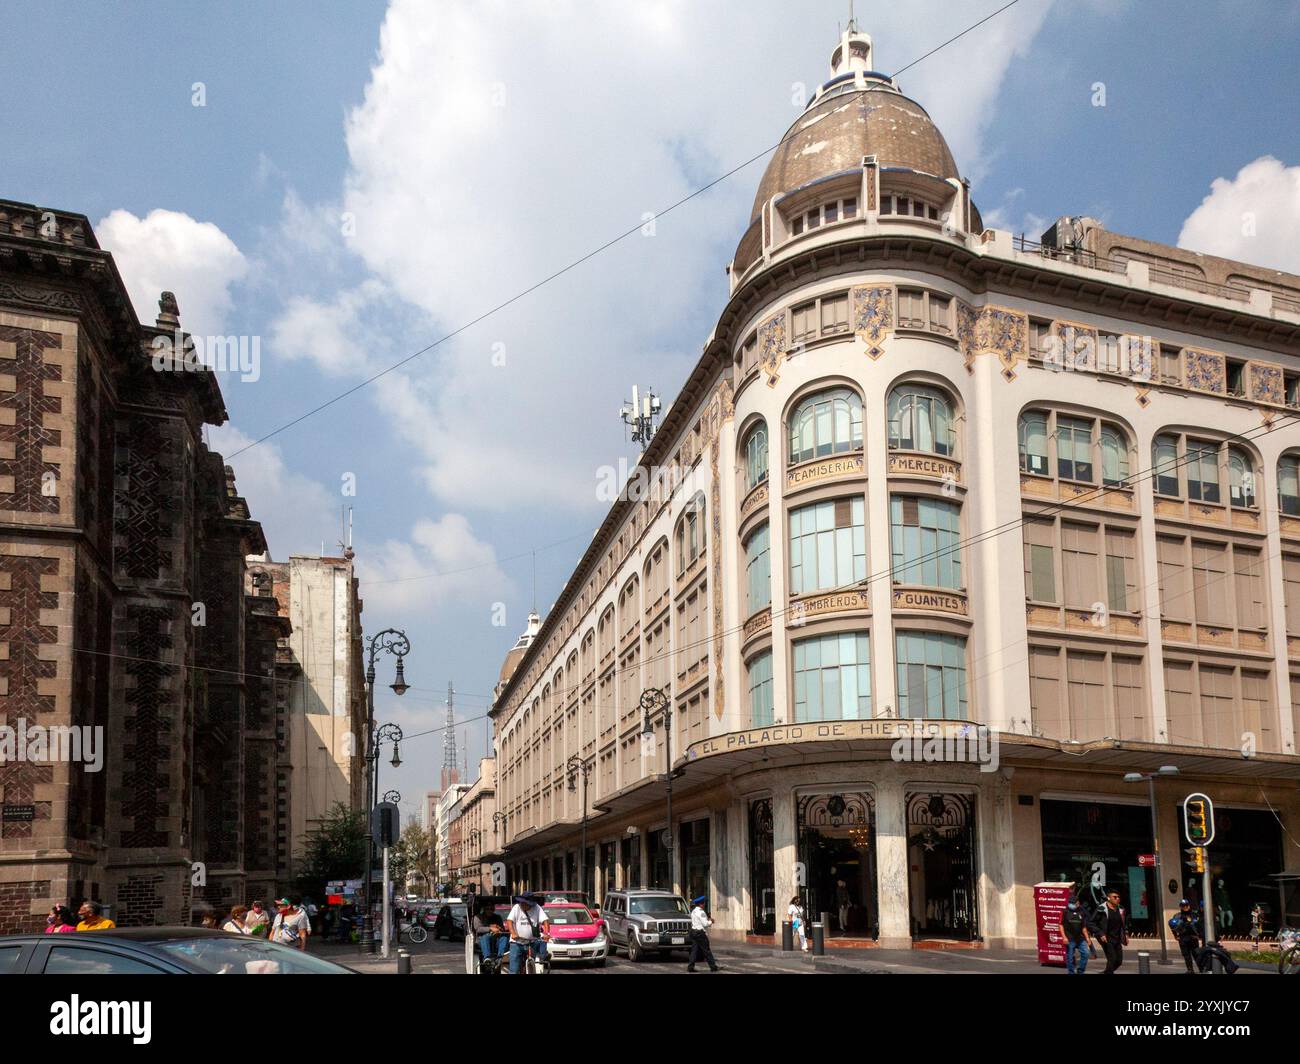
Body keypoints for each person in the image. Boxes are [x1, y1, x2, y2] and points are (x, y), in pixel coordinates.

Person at [505, 893, 549, 974]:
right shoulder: (516, 907)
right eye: (521, 903)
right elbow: (509, 921)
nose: (522, 905)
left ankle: (543, 957)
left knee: (531, 967)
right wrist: (513, 933)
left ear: (530, 903)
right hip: (516, 943)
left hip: (531, 942)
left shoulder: (537, 908)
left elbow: (545, 921)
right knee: (514, 970)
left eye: (525, 903)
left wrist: (547, 934)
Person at [1092, 891, 1129, 974]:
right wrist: (1100, 933)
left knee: (1119, 961)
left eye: (1119, 897)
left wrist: (1125, 934)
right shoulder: (1101, 909)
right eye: (1115, 897)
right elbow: (1091, 923)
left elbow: (1124, 923)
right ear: (1109, 898)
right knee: (1112, 959)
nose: (1117, 899)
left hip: (1117, 938)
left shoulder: (1121, 909)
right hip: (1106, 938)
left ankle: (1106, 972)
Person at [687, 895, 720, 972]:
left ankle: (690, 967)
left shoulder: (694, 911)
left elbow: (698, 921)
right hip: (700, 933)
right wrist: (711, 921)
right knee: (706, 950)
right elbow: (705, 924)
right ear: (701, 904)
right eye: (703, 903)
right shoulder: (701, 912)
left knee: (694, 951)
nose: (704, 905)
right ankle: (713, 967)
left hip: (693, 932)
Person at [1058, 899, 1091, 974]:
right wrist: (1064, 937)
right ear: (1071, 903)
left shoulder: (1081, 912)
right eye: (1076, 903)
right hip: (1069, 938)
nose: (1078, 905)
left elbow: (1083, 927)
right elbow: (1060, 925)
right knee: (1070, 956)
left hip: (1080, 938)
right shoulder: (1065, 912)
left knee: (1085, 953)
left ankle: (1081, 970)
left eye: (1078, 903)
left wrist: (1087, 938)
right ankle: (1071, 972)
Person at [1169, 899, 1201, 973]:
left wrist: (1199, 935)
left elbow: (1199, 925)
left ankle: (1202, 968)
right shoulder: (1177, 916)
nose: (1185, 907)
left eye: (1186, 905)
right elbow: (1172, 926)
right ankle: (1190, 970)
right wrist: (1175, 936)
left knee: (1196, 954)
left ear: (1189, 905)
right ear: (1180, 906)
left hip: (1193, 937)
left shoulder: (1194, 914)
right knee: (1186, 956)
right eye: (1183, 906)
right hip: (1183, 938)